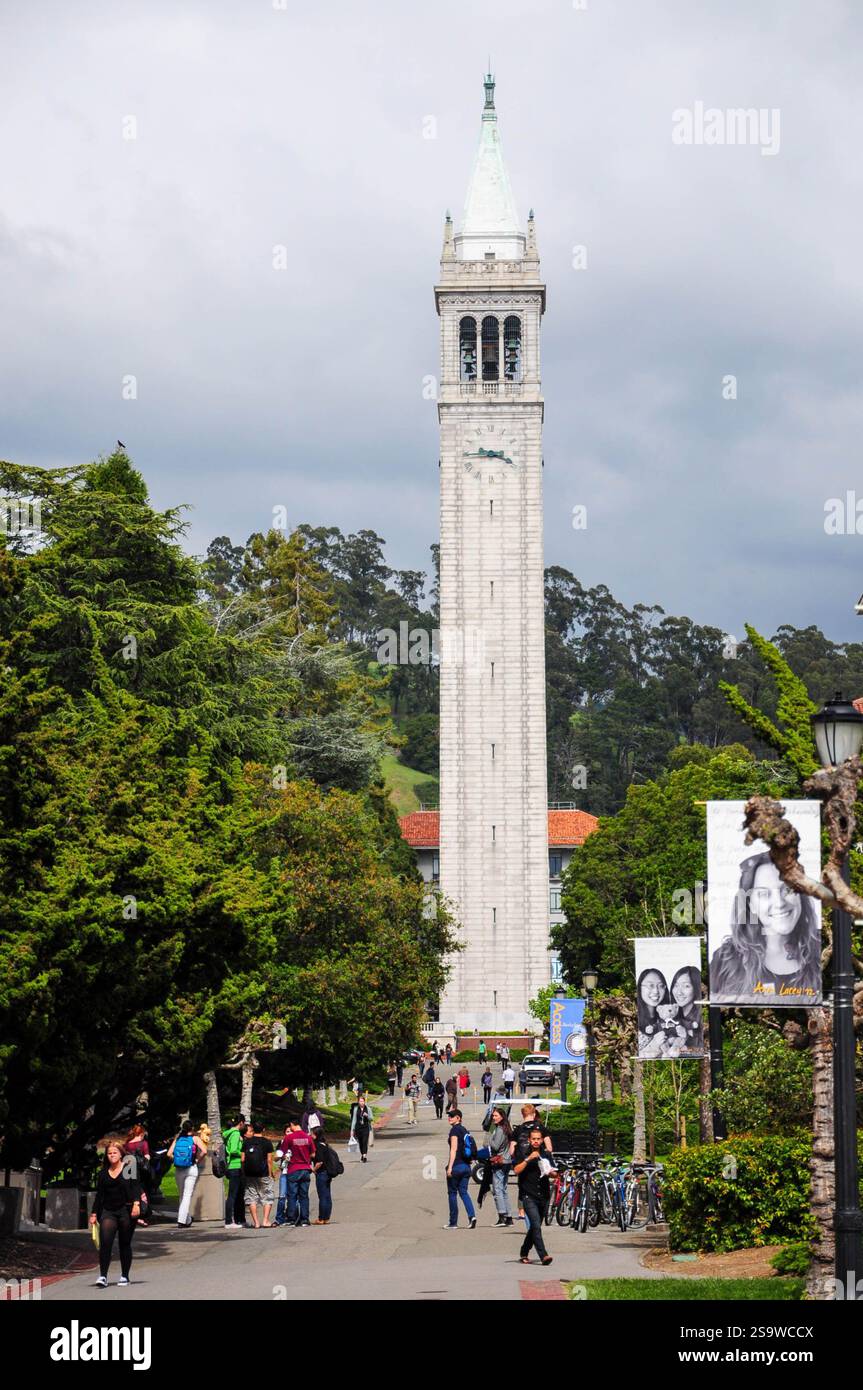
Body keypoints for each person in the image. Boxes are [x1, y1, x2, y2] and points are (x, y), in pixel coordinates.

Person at [711, 851, 822, 1003]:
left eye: (787, 889)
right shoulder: (726, 960)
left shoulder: (823, 950)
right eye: (764, 894)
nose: (779, 902)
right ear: (751, 904)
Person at [90, 1140, 142, 1287]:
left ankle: (125, 1276)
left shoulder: (128, 1168)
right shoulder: (103, 1174)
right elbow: (99, 1195)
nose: (112, 1155)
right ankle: (103, 1276)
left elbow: (136, 1187)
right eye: (109, 1153)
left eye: (115, 1153)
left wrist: (136, 1204)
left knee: (124, 1243)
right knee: (105, 1243)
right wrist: (94, 1213)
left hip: (126, 1210)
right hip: (108, 1211)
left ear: (121, 1154)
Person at [514, 1127, 553, 1265]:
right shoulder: (522, 1152)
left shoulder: (546, 1154)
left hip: (543, 1194)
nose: (536, 1141)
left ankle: (524, 1251)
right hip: (527, 1195)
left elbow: (554, 1172)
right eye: (534, 1139)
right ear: (529, 1140)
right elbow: (516, 1170)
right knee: (536, 1225)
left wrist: (551, 1172)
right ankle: (544, 1255)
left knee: (534, 1227)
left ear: (542, 1140)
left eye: (538, 1139)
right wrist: (528, 1159)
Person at [276, 1119, 315, 1226]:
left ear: (293, 1125)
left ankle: (292, 1219)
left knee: (292, 1195)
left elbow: (282, 1153)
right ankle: (304, 1219)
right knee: (304, 1195)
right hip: (305, 1169)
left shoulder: (289, 1137)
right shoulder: (308, 1137)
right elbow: (313, 1154)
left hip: (293, 1169)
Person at [442, 1109, 477, 1230]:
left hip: (456, 1166)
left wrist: (450, 1167)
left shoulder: (454, 1130)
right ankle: (472, 1216)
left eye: (452, 1116)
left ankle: (453, 1222)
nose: (449, 1118)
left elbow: (454, 1149)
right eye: (449, 1116)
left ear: (459, 1118)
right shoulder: (465, 1130)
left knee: (452, 1193)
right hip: (466, 1167)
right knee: (464, 1192)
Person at [169, 1120, 207, 1228]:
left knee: (182, 1195)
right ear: (192, 1128)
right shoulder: (195, 1139)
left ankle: (186, 1219)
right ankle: (182, 1220)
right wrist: (196, 1160)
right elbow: (204, 1151)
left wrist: (176, 1159)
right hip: (191, 1168)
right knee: (187, 1195)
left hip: (179, 1169)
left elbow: (169, 1154)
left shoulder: (178, 1138)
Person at [482, 1106, 514, 1225]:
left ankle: (502, 1216)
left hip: (500, 1161)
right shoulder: (505, 1128)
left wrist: (490, 1138)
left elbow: (495, 1146)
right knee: (503, 1189)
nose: (493, 1118)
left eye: (496, 1116)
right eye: (493, 1116)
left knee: (498, 1189)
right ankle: (508, 1216)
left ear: (502, 1117)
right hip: (506, 1161)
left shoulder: (500, 1129)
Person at [242, 1121, 275, 1228]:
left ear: (253, 1130)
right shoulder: (267, 1142)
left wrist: (244, 1172)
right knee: (267, 1196)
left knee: (251, 1197)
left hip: (249, 1174)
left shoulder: (247, 1142)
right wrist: (270, 1174)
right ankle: (265, 1221)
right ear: (263, 1129)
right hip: (263, 1173)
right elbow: (269, 1160)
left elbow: (243, 1159)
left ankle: (256, 1222)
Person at [666, 965, 704, 1056]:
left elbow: (701, 1049)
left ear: (696, 988)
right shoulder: (673, 1015)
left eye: (686, 986)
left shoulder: (701, 1016)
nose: (679, 992)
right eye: (676, 985)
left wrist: (687, 1036)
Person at [124, 1124, 151, 1225]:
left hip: (128, 1171)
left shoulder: (127, 1144)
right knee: (141, 1192)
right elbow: (147, 1157)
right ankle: (140, 1215)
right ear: (141, 1133)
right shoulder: (143, 1143)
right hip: (140, 1172)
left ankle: (131, 1213)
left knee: (130, 1192)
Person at [312, 1129, 340, 1224]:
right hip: (328, 1173)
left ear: (315, 1135)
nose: (310, 1135)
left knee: (322, 1196)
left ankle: (321, 1218)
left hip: (322, 1173)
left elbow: (319, 1162)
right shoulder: (325, 1144)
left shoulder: (318, 1146)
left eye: (311, 1133)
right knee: (327, 1195)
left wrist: (313, 1170)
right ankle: (326, 1217)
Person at [222, 1116, 246, 1229]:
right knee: (232, 1195)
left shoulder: (229, 1133)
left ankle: (237, 1219)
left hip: (232, 1166)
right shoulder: (236, 1133)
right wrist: (241, 1153)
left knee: (236, 1194)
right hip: (235, 1166)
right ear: (241, 1123)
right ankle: (228, 1221)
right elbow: (233, 1150)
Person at [350, 1093, 373, 1161]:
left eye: (362, 1101)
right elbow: (354, 1120)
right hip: (358, 1128)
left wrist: (367, 1116)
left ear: (364, 1102)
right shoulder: (356, 1109)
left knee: (364, 1141)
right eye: (360, 1101)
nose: (361, 1102)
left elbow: (371, 1119)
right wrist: (352, 1130)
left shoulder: (368, 1109)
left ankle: (364, 1155)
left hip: (366, 1128)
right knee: (360, 1143)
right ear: (358, 1102)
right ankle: (362, 1154)